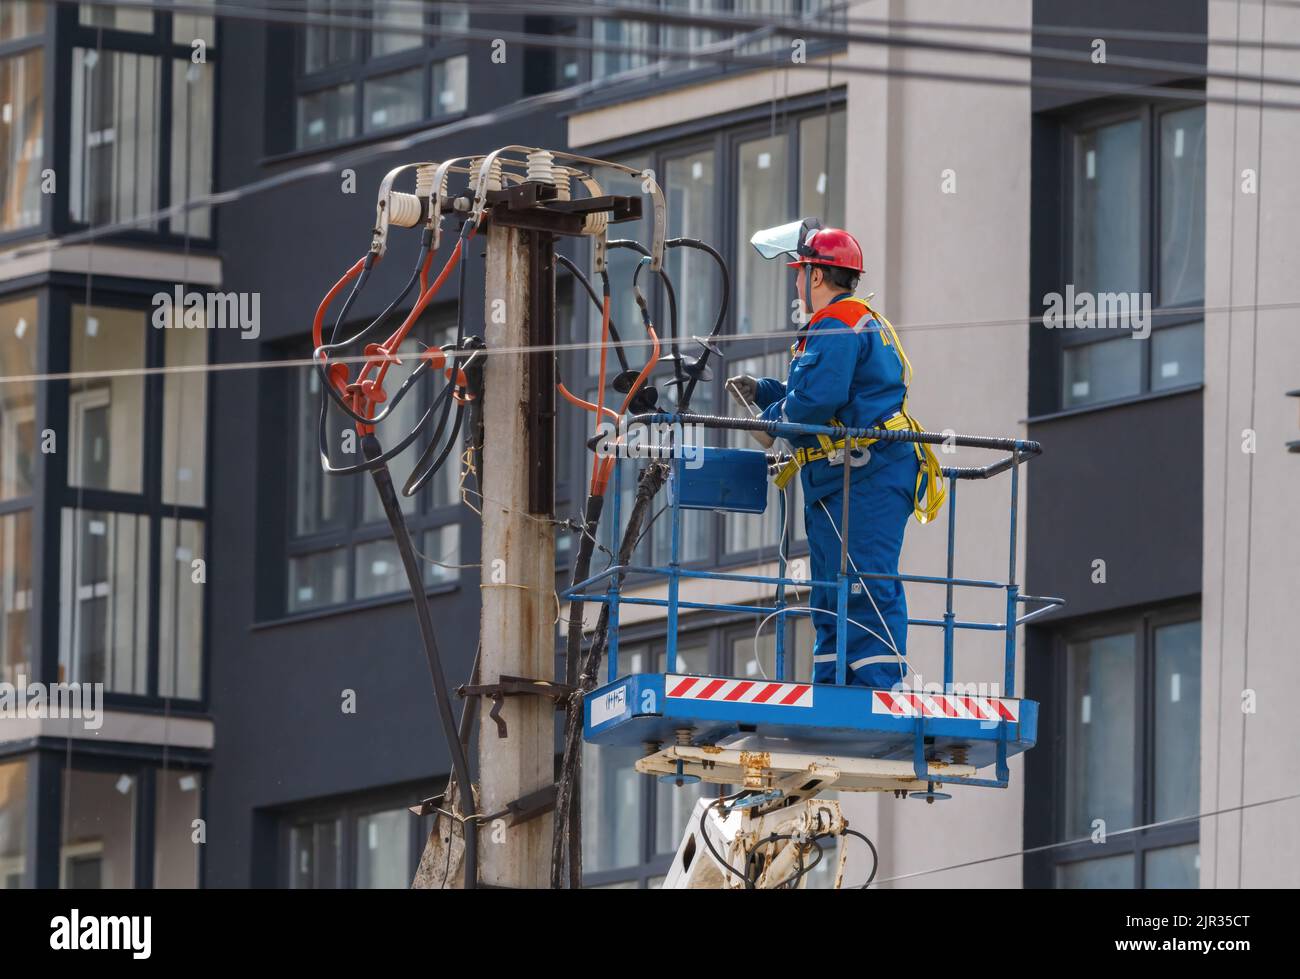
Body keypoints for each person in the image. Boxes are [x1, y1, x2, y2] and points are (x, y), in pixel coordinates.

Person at [729, 219, 941, 688]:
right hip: (845, 474)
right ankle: (834, 685)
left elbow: (816, 401)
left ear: (817, 276)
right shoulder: (849, 322)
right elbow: (827, 393)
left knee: (864, 579)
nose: (796, 280)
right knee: (831, 587)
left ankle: (878, 688)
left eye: (800, 271)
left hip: (867, 472)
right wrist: (767, 392)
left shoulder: (836, 323)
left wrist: (772, 417)